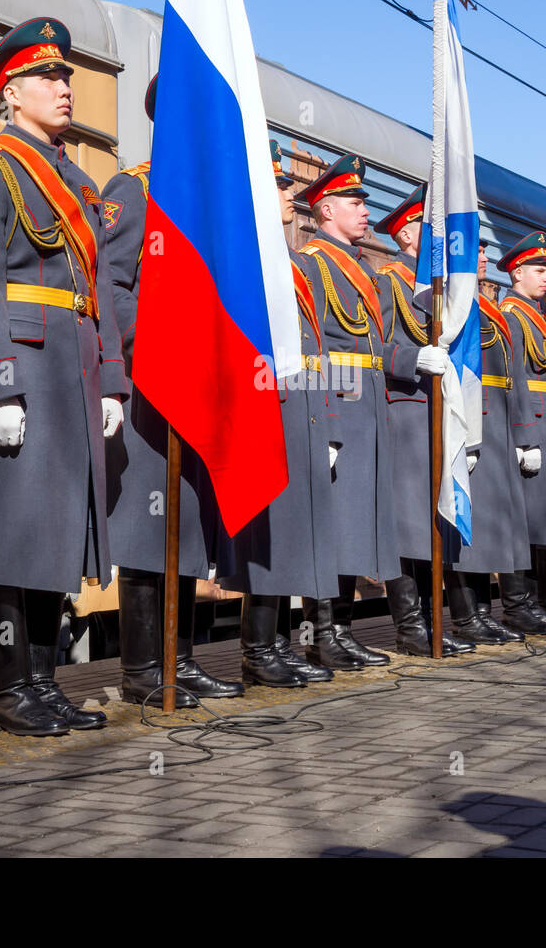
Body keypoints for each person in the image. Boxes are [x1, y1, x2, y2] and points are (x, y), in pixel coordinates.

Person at [0, 18, 126, 734]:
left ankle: (44, 683)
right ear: (10, 93)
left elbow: (102, 289)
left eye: (68, 76)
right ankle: (7, 690)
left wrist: (112, 377)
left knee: (54, 531)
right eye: (48, 77)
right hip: (21, 363)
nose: (65, 86)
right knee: (11, 534)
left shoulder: (80, 183)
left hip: (72, 368)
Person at [100, 78, 243, 707]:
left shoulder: (213, 204)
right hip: (152, 386)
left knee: (186, 531)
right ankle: (142, 674)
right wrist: (154, 351)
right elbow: (114, 284)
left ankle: (180, 662)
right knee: (147, 528)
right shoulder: (135, 188)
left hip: (204, 390)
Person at [294, 157, 449, 669]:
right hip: (338, 407)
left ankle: (338, 631)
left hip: (368, 408)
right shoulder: (311, 265)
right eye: (356, 203)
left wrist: (409, 359)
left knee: (355, 524)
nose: (365, 212)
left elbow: (376, 348)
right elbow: (309, 350)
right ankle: (321, 636)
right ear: (326, 209)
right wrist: (327, 425)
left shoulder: (357, 269)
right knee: (331, 526)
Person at [220, 142, 339, 686]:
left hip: (302, 405)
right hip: (266, 402)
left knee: (291, 530)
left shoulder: (288, 262)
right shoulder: (244, 253)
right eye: (278, 186)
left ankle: (279, 645)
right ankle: (257, 650)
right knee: (267, 532)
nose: (290, 196)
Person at [372, 185, 473, 657]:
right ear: (410, 233)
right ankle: (412, 628)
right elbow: (374, 347)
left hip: (437, 413)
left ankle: (435, 624)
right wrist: (414, 358)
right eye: (429, 230)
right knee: (408, 525)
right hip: (406, 414)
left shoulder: (440, 293)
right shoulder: (389, 281)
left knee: (435, 520)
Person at [441, 244, 536, 643]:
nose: (482, 256)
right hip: (471, 419)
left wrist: (523, 432)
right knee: (470, 525)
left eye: (484, 249)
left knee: (500, 523)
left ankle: (499, 610)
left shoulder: (493, 309)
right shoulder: (453, 301)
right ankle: (469, 616)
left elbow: (512, 375)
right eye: (474, 249)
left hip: (497, 421)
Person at [497, 234, 546, 627]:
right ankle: (523, 602)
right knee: (526, 518)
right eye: (540, 271)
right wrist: (524, 435)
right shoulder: (511, 315)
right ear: (517, 273)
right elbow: (516, 377)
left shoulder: (533, 315)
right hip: (535, 420)